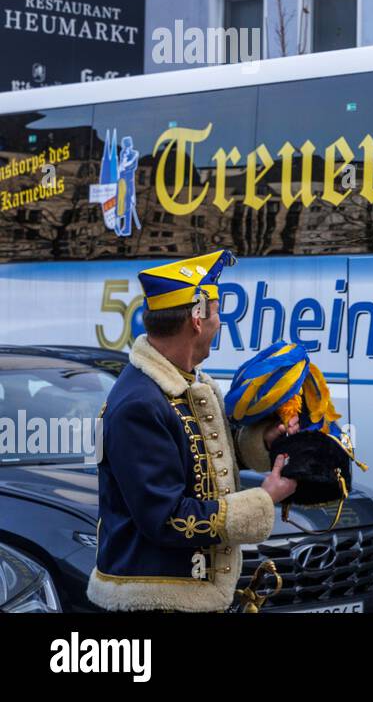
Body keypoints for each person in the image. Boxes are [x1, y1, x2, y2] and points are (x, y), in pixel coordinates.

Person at [88, 251, 298, 612]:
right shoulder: (139, 404)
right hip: (157, 602)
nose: (221, 323)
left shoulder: (186, 385)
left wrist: (261, 440)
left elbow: (198, 452)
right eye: (216, 313)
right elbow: (168, 518)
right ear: (197, 319)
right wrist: (264, 500)